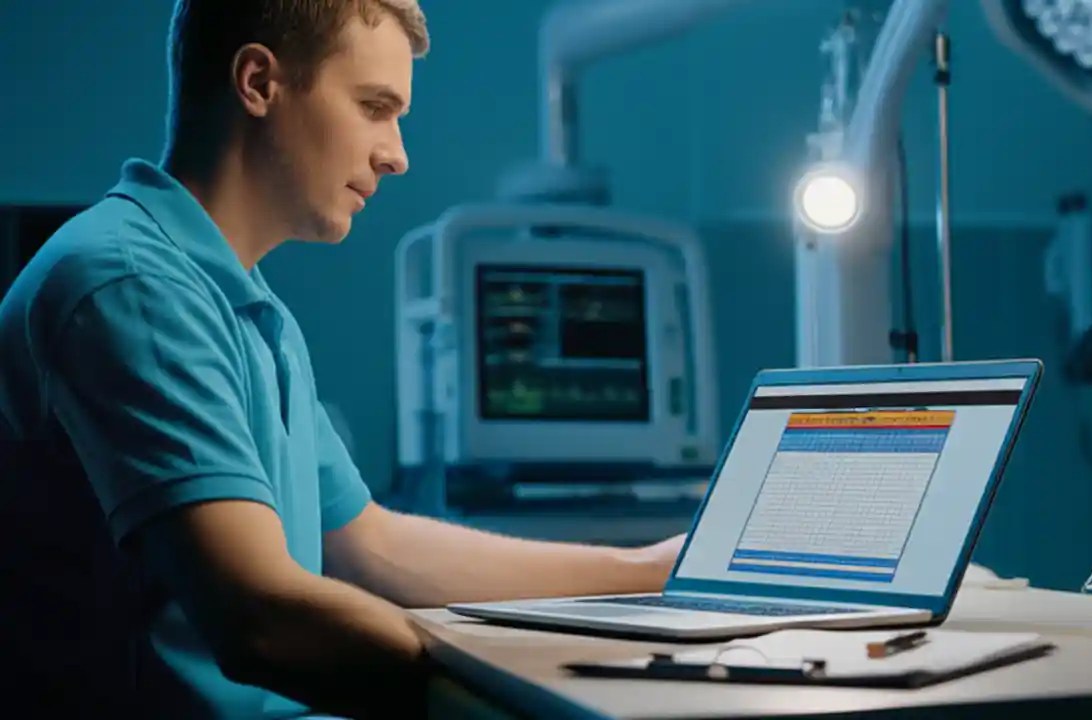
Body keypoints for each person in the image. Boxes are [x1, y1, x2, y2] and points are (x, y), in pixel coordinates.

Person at [0, 1, 683, 717]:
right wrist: (520, 688)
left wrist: (640, 571)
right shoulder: (129, 285)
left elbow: (368, 544)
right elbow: (260, 619)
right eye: (373, 106)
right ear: (259, 81)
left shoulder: (248, 311)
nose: (396, 153)